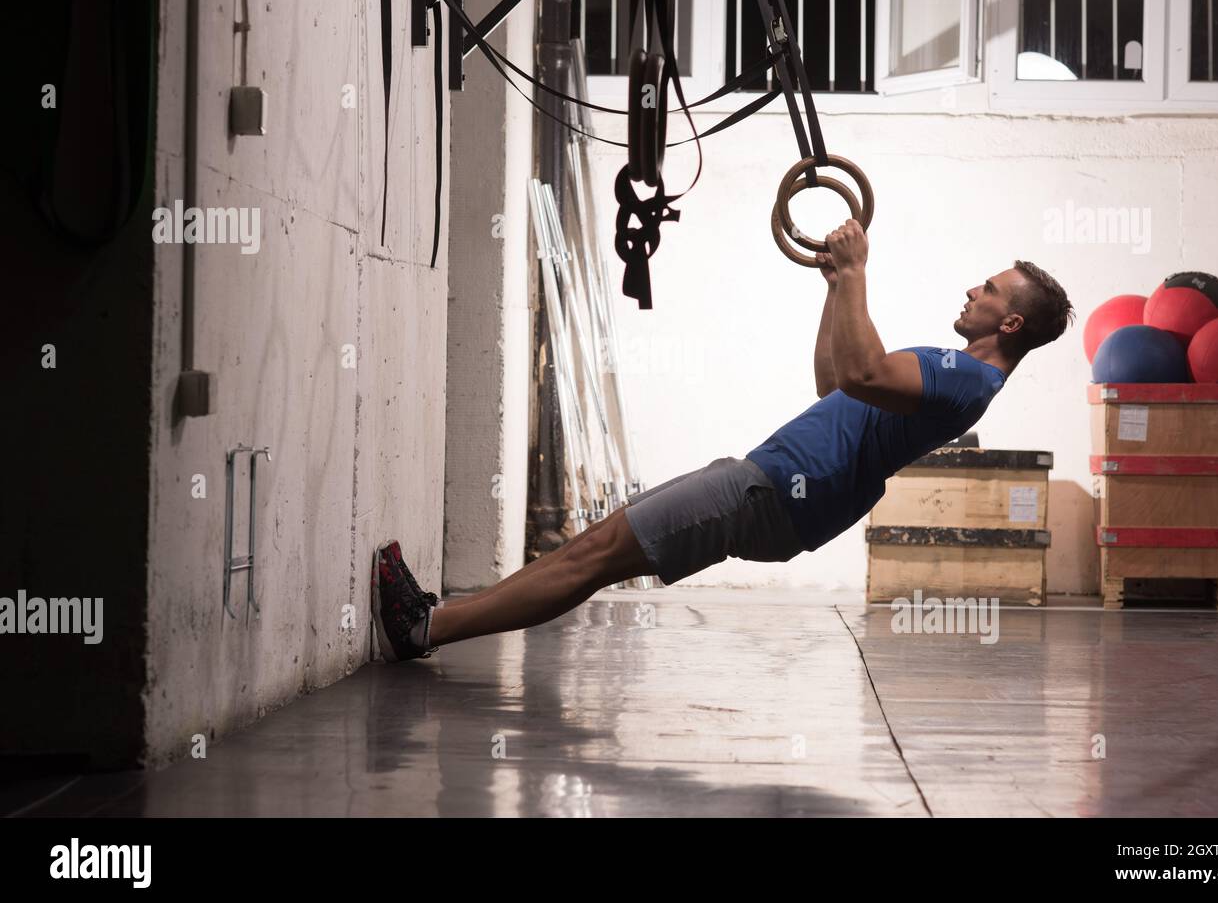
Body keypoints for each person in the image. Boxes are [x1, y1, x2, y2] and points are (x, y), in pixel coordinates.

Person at [371, 218, 1074, 662]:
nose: (971, 290)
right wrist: (836, 289)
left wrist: (860, 272)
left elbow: (861, 368)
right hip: (767, 482)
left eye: (988, 289)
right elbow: (839, 383)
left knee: (592, 556)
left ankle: (425, 629)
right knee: (595, 546)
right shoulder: (958, 375)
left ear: (1009, 324)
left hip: (769, 495)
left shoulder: (964, 379)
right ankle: (436, 617)